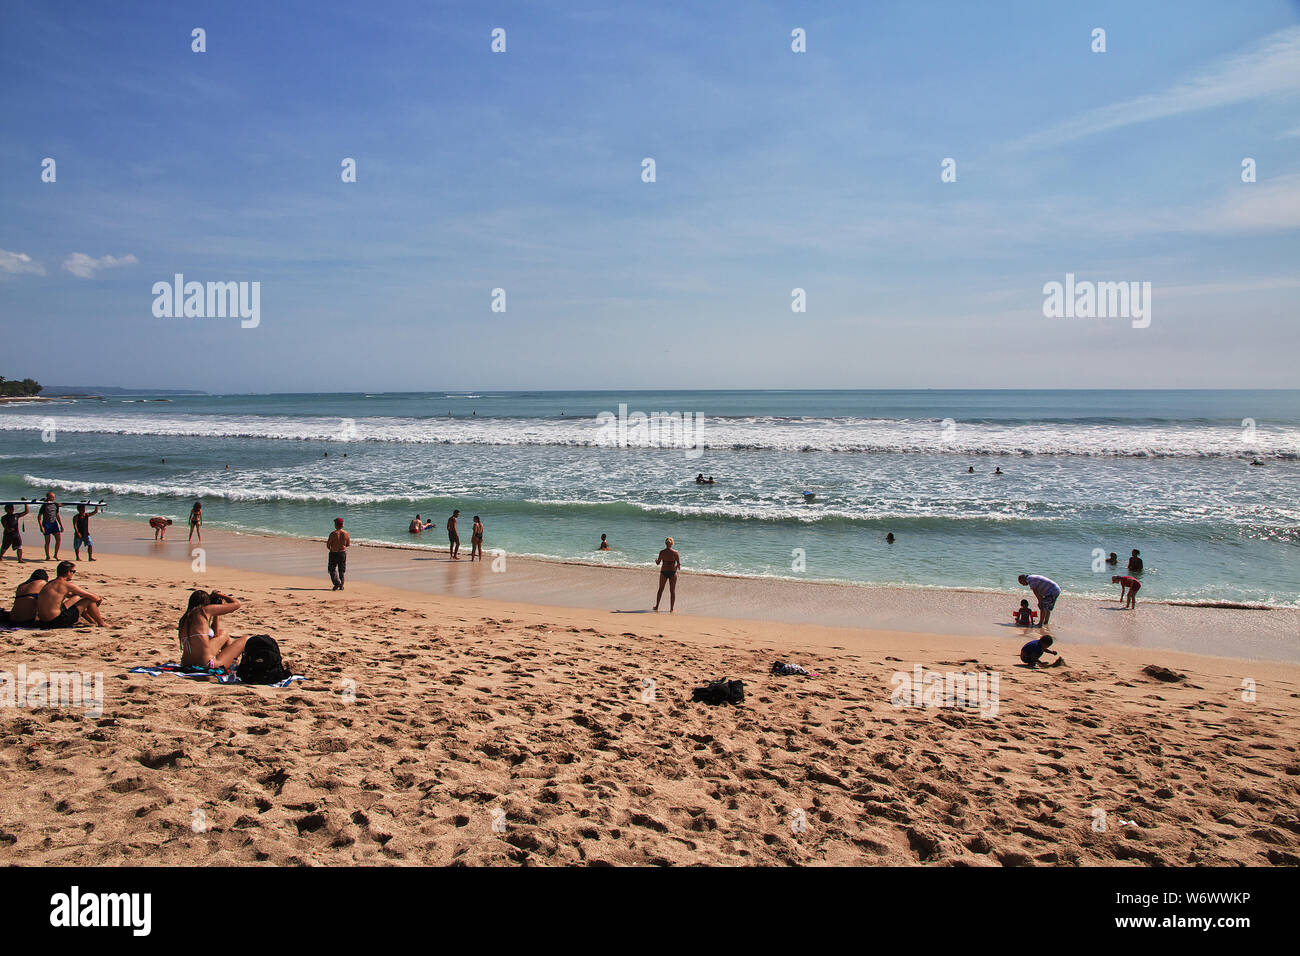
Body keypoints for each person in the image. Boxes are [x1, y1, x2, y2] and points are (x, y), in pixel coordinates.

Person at [177, 589, 247, 669]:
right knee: (246, 639)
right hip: (205, 664)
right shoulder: (203, 610)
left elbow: (215, 634)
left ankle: (232, 663)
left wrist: (216, 614)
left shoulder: (185, 618)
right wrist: (219, 595)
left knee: (223, 633)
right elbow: (237, 604)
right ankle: (232, 664)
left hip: (186, 664)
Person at [35, 561, 106, 628]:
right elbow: (94, 597)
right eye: (73, 572)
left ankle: (92, 621)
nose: (73, 574)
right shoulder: (67, 585)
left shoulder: (50, 583)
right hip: (56, 621)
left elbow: (73, 596)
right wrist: (98, 600)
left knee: (77, 598)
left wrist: (80, 598)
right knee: (88, 600)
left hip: (43, 622)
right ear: (68, 572)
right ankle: (101, 623)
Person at [654, 537, 681, 612]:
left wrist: (656, 560)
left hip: (664, 572)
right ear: (672, 543)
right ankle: (671, 608)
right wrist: (675, 567)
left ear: (665, 543)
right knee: (672, 591)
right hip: (672, 572)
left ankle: (656, 606)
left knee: (660, 589)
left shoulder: (662, 552)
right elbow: (678, 565)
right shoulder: (675, 553)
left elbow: (658, 563)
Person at [327, 517, 350, 590]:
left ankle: (337, 583)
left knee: (332, 569)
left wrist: (332, 548)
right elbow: (348, 544)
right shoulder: (346, 534)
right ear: (342, 525)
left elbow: (328, 545)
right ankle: (341, 585)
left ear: (335, 525)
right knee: (341, 569)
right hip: (342, 553)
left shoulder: (333, 534)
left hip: (333, 552)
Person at [38, 492, 62, 560]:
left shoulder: (55, 505)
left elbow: (57, 515)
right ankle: (47, 556)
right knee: (47, 541)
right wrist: (41, 526)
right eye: (51, 497)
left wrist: (61, 525)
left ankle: (56, 555)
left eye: (53, 497)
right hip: (46, 524)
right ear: (48, 497)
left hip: (54, 523)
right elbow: (39, 516)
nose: (53, 498)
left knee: (58, 539)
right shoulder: (44, 505)